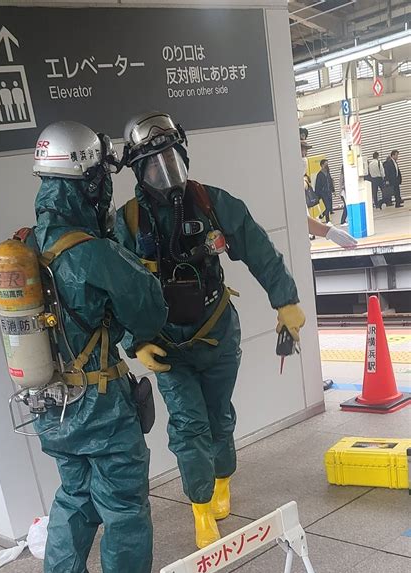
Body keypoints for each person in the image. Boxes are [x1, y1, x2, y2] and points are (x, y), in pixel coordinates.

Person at [116, 112, 305, 549]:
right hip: (166, 348)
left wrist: (286, 301)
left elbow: (258, 248)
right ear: (137, 172)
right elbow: (115, 292)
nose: (167, 174)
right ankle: (201, 508)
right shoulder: (126, 224)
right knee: (188, 426)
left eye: (172, 160)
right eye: (153, 165)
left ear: (183, 154)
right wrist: (135, 341)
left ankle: (222, 481)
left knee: (219, 416)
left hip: (218, 332)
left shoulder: (211, 202)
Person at [31, 121, 168, 573]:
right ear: (88, 180)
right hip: (99, 405)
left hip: (49, 404)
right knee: (123, 499)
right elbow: (148, 308)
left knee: (73, 491)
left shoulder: (25, 248)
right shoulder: (92, 252)